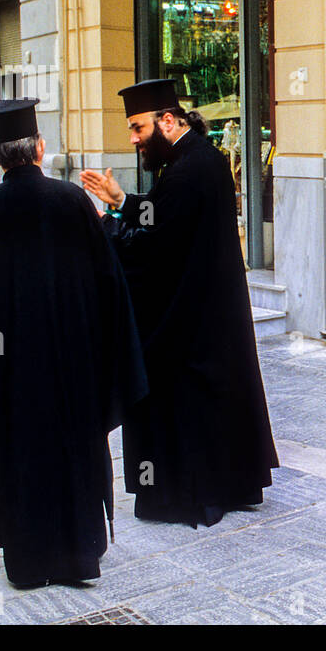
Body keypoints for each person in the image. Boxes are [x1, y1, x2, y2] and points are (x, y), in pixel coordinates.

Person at [0, 99, 147, 589]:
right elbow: (110, 287)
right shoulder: (72, 202)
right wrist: (111, 360)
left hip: (10, 372)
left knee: (19, 458)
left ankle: (27, 564)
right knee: (76, 454)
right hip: (75, 365)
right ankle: (80, 557)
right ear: (41, 148)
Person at [80, 79, 278, 527]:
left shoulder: (188, 169)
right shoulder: (198, 160)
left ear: (167, 121)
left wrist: (105, 229)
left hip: (188, 320)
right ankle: (230, 485)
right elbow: (165, 215)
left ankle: (190, 495)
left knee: (186, 406)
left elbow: (154, 248)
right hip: (211, 312)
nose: (133, 139)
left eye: (137, 127)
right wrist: (122, 201)